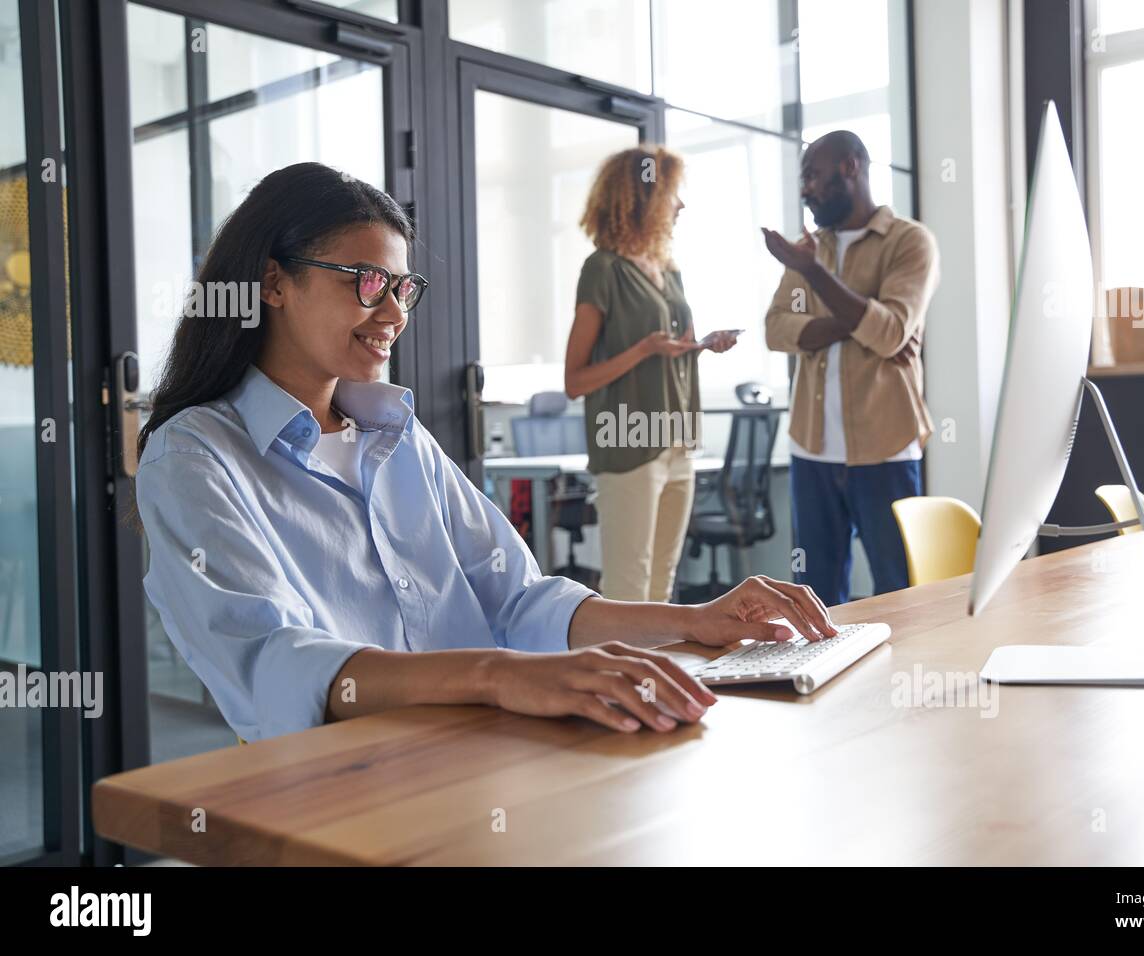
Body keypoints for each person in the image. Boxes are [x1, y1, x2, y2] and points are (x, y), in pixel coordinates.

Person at [135, 162, 832, 743]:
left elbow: (519, 599)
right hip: (347, 786)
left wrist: (695, 620)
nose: (395, 314)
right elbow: (273, 662)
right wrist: (500, 675)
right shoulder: (195, 459)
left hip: (486, 751)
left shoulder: (397, 436)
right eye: (367, 282)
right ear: (274, 282)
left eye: (403, 288)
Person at [761, 131, 939, 603]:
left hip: (886, 447)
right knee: (815, 597)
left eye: (813, 176)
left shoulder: (909, 241)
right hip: (812, 449)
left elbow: (890, 332)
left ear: (850, 168)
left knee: (899, 591)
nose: (805, 190)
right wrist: (859, 317)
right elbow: (776, 330)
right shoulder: (808, 247)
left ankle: (903, 678)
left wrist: (818, 277)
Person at [564, 146, 738, 602]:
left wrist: (703, 345)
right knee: (628, 584)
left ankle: (656, 674)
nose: (680, 205)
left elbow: (678, 347)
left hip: (677, 438)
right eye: (672, 195)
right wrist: (643, 350)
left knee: (662, 583)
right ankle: (617, 675)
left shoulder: (669, 271)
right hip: (627, 441)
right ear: (640, 199)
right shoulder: (601, 270)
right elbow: (575, 380)